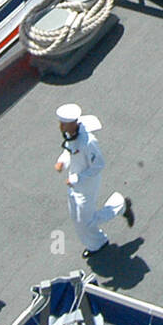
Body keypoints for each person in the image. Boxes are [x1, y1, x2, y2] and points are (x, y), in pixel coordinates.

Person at [54, 104, 134, 259]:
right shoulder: (72, 135)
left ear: (73, 123)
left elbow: (98, 165)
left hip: (86, 185)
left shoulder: (88, 142)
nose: (61, 126)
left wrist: (77, 178)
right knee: (76, 218)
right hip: (74, 183)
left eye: (64, 123)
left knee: (86, 220)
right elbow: (69, 150)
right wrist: (62, 162)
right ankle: (96, 241)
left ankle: (117, 208)